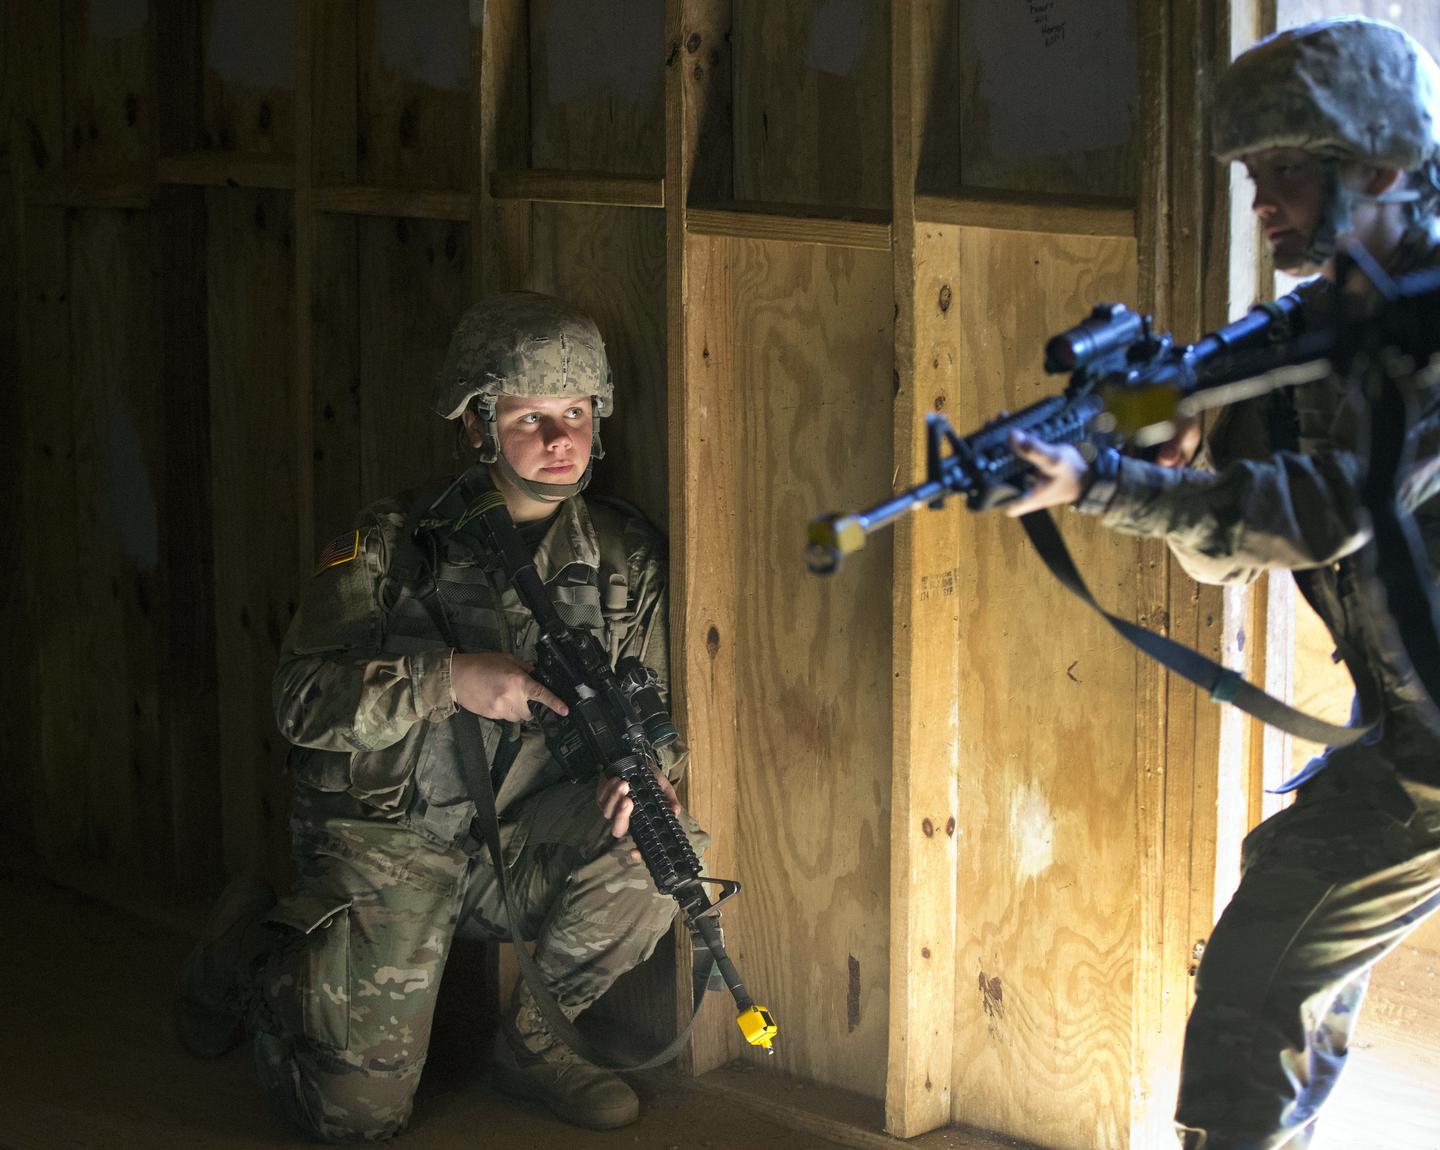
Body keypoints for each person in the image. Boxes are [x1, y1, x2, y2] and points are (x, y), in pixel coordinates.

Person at [1006, 17, 1440, 1148]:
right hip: (1409, 724)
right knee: (1284, 906)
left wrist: (1101, 483)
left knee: (1254, 986)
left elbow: (1330, 509)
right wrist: (1149, 432)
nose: (1260, 207)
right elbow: (1227, 487)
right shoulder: (1333, 309)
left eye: (1283, 173)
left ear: (1383, 163)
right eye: (1254, 178)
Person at [178, 291, 704, 1139]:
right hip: (388, 840)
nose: (560, 439)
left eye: (575, 412)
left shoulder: (623, 555)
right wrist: (447, 680)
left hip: (519, 835)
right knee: (356, 1120)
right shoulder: (393, 541)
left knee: (667, 851)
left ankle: (536, 1045)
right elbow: (300, 702)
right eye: (530, 416)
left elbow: (654, 705)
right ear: (477, 427)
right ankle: (245, 955)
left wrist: (646, 777)